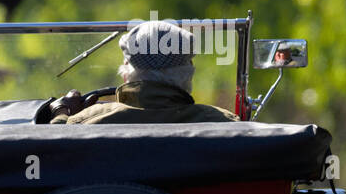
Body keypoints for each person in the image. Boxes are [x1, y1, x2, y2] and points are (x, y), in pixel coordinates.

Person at [50, 20, 239, 124]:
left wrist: (61, 112)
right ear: (188, 75)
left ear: (126, 74)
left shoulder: (88, 122)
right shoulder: (222, 123)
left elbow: (51, 152)